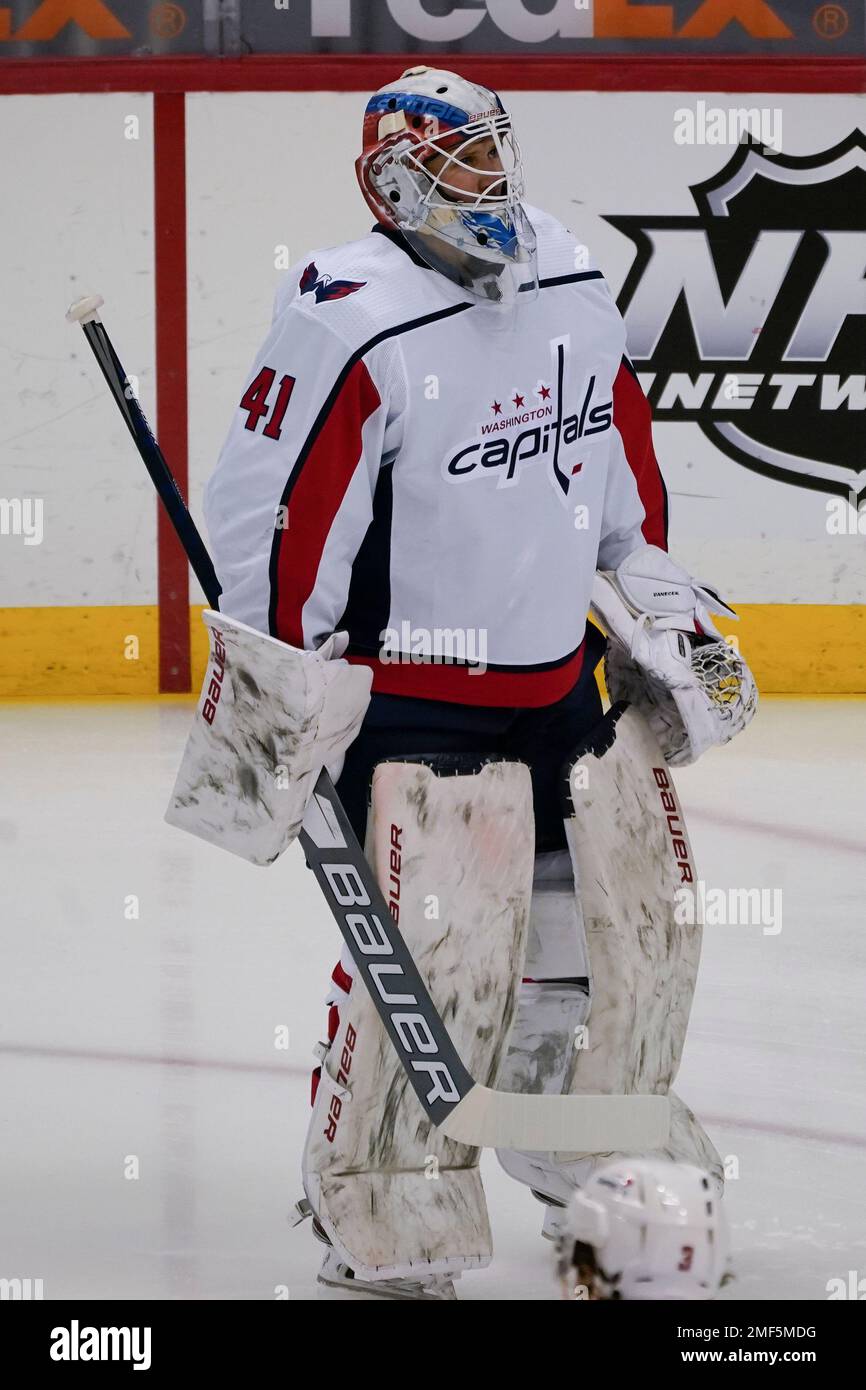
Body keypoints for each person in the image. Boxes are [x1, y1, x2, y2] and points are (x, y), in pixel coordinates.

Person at [203, 66, 756, 1300]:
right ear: (392, 182)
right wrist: (280, 695)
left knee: (602, 951)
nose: (489, 181)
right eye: (459, 163)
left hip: (556, 687)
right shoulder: (348, 316)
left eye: (496, 152)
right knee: (436, 971)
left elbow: (613, 453)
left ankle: (581, 1160)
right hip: (410, 703)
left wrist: (650, 593)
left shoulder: (566, 273)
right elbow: (273, 520)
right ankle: (381, 1202)